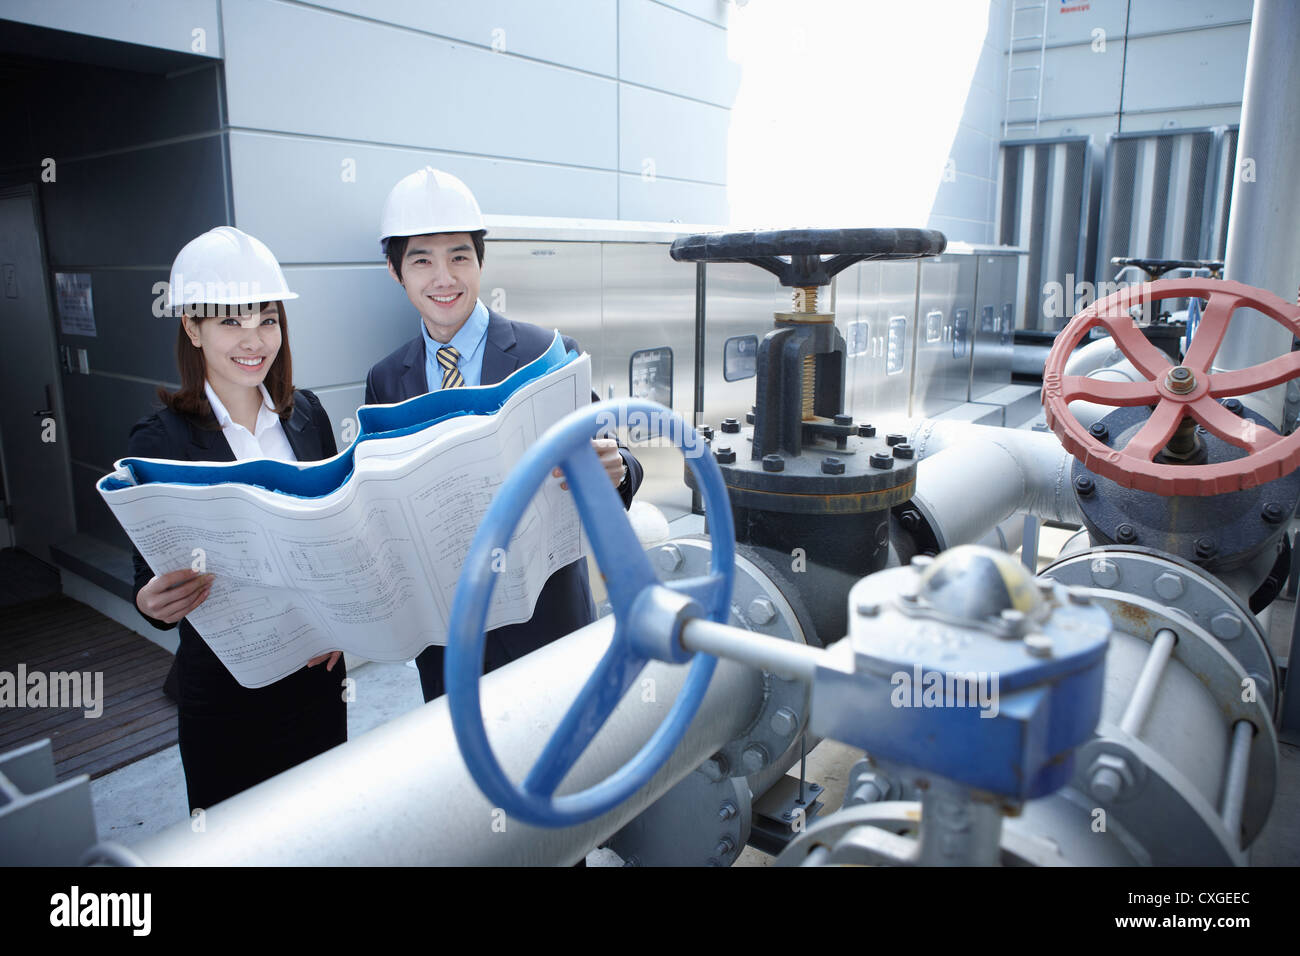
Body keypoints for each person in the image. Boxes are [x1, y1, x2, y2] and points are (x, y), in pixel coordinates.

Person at [367, 167, 644, 703]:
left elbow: (619, 458)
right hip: (447, 636)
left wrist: (617, 468)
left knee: (557, 765)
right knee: (460, 773)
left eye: (459, 257)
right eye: (422, 260)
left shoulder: (546, 353)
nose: (443, 277)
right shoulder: (386, 378)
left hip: (545, 622)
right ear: (394, 271)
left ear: (480, 262)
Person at [130, 226, 347, 813]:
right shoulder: (159, 442)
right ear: (191, 326)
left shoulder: (309, 418)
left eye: (267, 319)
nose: (254, 340)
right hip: (225, 697)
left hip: (316, 680)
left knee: (324, 837)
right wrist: (152, 603)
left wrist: (340, 621)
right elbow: (145, 585)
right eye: (230, 321)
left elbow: (333, 542)